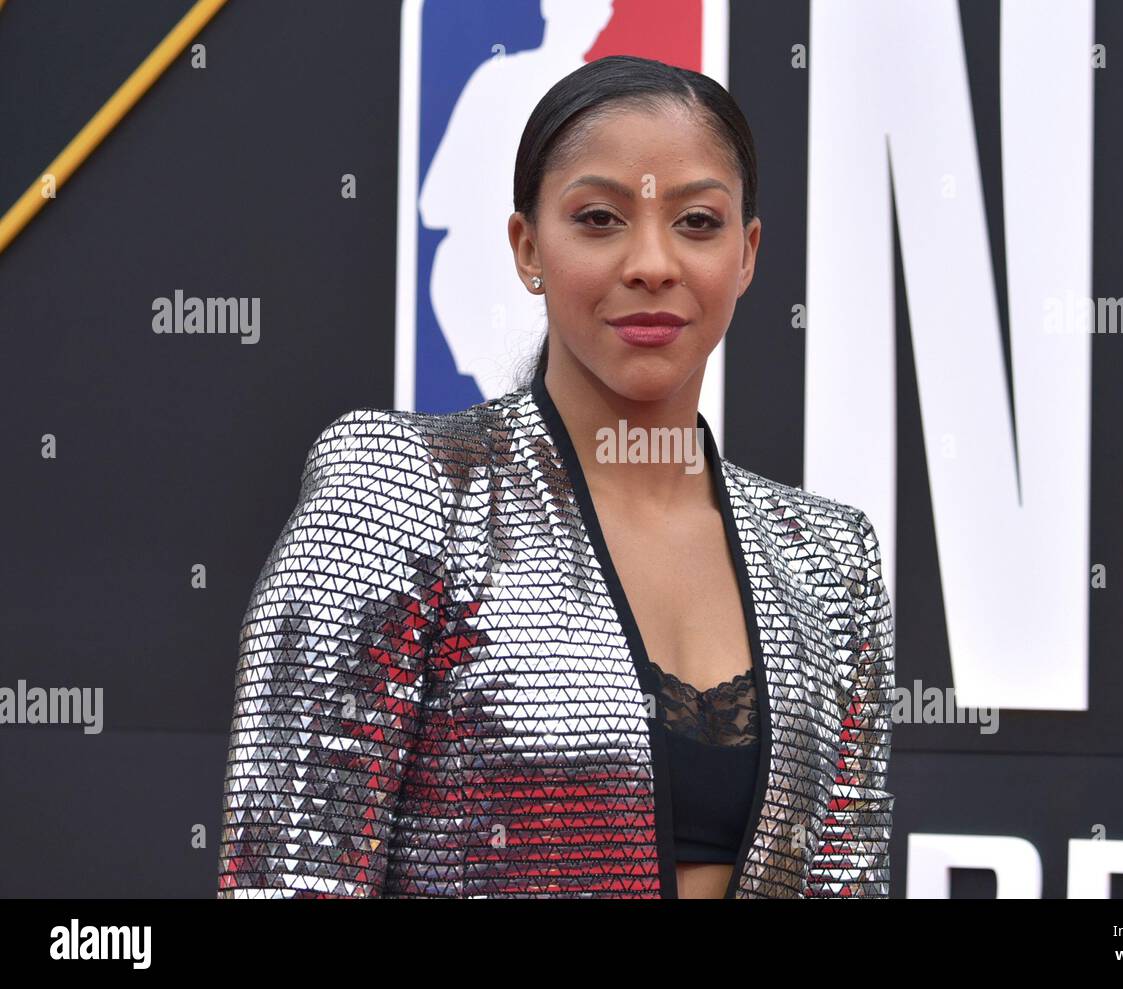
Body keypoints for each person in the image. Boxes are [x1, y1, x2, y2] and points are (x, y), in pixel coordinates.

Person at [216, 54, 893, 899]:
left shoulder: (832, 561)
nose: (652, 262)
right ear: (527, 247)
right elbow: (288, 877)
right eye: (601, 217)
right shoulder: (400, 492)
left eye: (697, 222)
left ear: (748, 254)